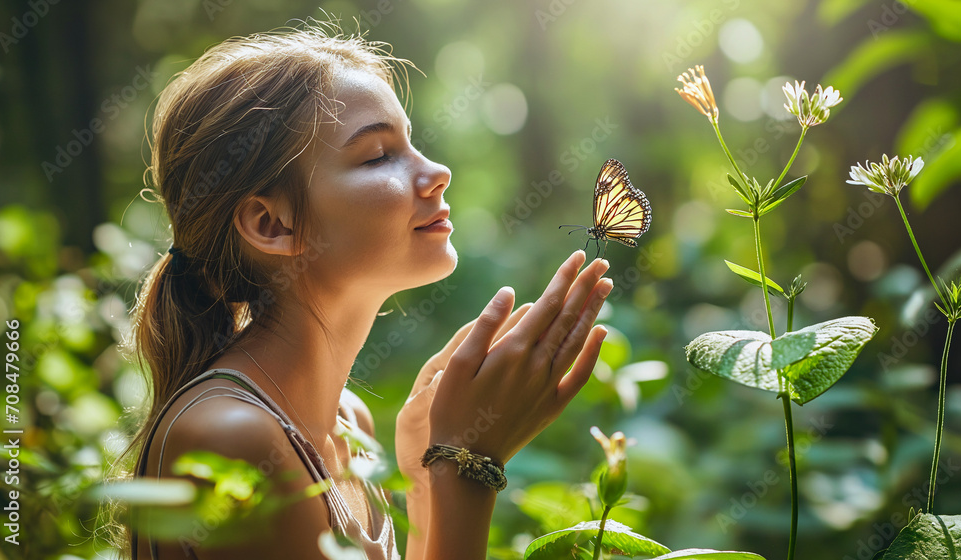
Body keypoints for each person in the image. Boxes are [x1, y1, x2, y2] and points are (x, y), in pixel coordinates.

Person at [120, 21, 613, 560]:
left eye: (412, 142)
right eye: (378, 155)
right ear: (272, 224)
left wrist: (427, 480)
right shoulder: (233, 438)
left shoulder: (349, 423)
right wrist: (469, 462)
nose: (438, 171)